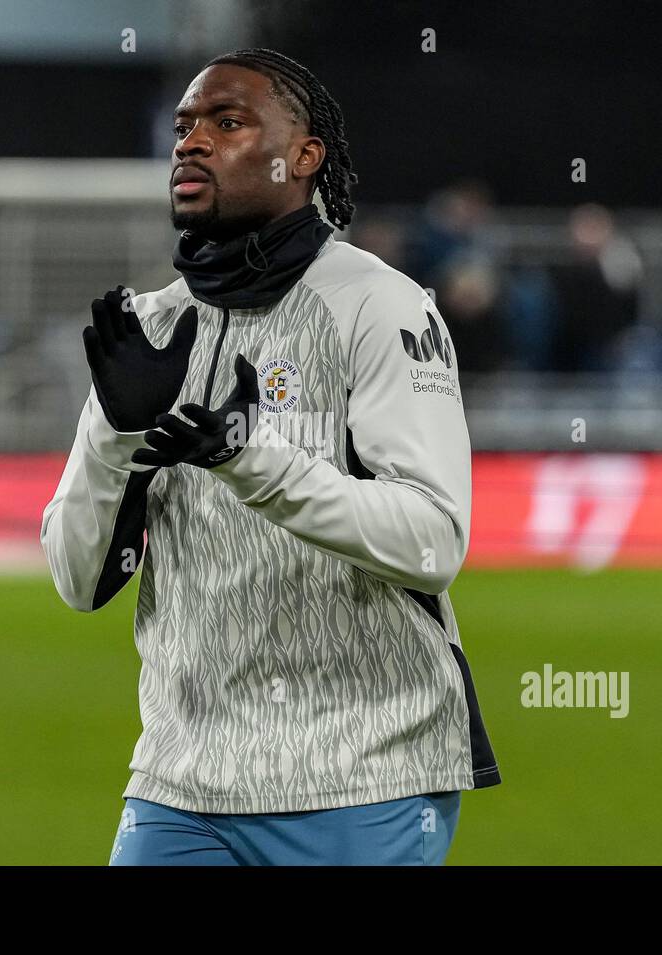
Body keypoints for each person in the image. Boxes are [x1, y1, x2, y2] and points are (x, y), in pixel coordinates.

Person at [41, 48, 498, 866]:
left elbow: (433, 542)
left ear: (305, 155)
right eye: (184, 127)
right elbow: (78, 582)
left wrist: (255, 461)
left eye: (227, 122)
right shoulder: (147, 328)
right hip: (180, 782)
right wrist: (113, 428)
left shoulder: (380, 306)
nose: (192, 142)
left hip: (364, 771)